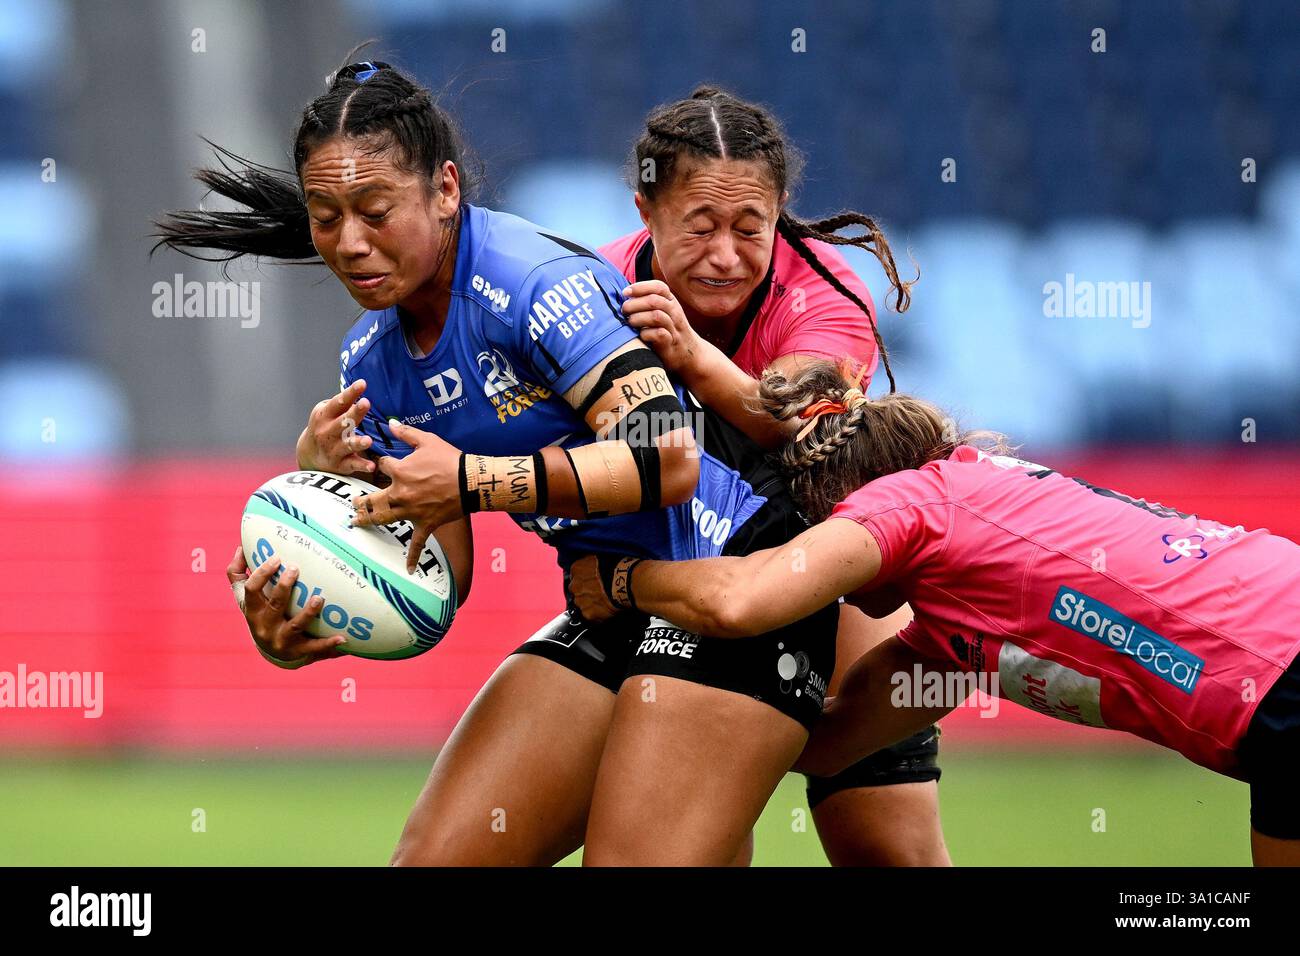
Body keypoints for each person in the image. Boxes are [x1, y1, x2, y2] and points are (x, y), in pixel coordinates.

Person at [153, 56, 839, 866]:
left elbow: (670, 459)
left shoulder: (533, 283)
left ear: (446, 190)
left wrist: (473, 481)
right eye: (326, 214)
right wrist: (316, 585)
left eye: (375, 209)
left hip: (739, 585)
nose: (350, 243)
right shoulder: (369, 366)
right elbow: (438, 576)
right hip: (611, 608)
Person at [566, 360, 1300, 866]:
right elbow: (826, 746)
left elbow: (742, 598)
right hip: (1271, 702)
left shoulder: (913, 499)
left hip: (1281, 671)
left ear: (839, 506)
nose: (842, 593)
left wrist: (622, 582)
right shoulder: (950, 626)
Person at [597, 87, 949, 866]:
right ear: (645, 211)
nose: (726, 255)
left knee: (887, 845)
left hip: (836, 563)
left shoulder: (825, 294)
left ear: (781, 208)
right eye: (700, 227)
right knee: (700, 837)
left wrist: (689, 354)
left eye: (749, 228)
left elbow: (786, 418)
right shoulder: (594, 288)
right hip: (689, 582)